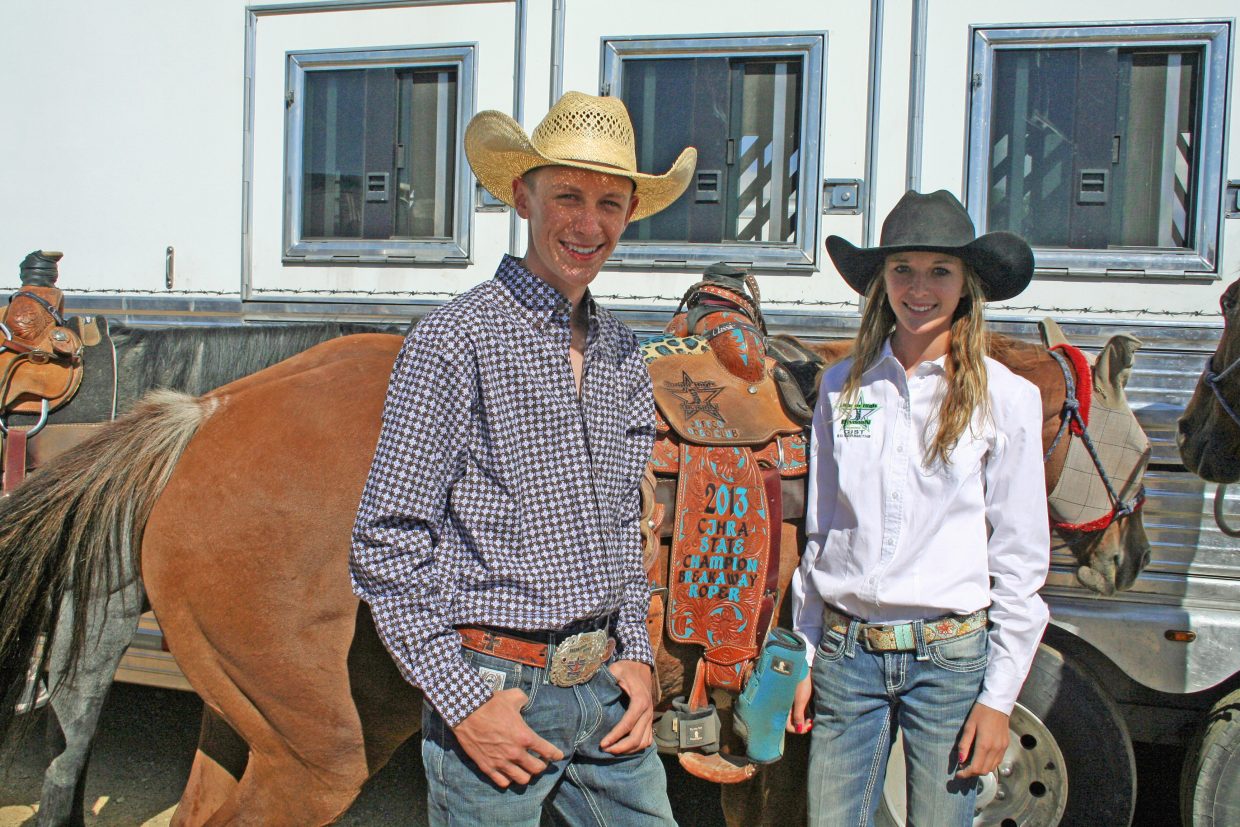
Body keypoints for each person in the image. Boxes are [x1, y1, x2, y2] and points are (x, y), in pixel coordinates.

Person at [349, 91, 695, 826]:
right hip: (497, 685)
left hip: (604, 686)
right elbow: (385, 541)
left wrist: (634, 649)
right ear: (522, 195)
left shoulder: (625, 354)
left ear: (630, 213)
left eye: (609, 201)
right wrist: (465, 701)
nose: (588, 222)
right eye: (567, 194)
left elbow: (623, 534)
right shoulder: (454, 340)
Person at [786, 190, 1050, 825]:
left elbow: (1019, 559)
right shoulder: (841, 386)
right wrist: (805, 651)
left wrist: (999, 698)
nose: (919, 287)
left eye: (940, 271)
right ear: (882, 281)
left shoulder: (1005, 398)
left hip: (950, 661)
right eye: (903, 269)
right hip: (848, 655)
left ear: (967, 285)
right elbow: (823, 534)